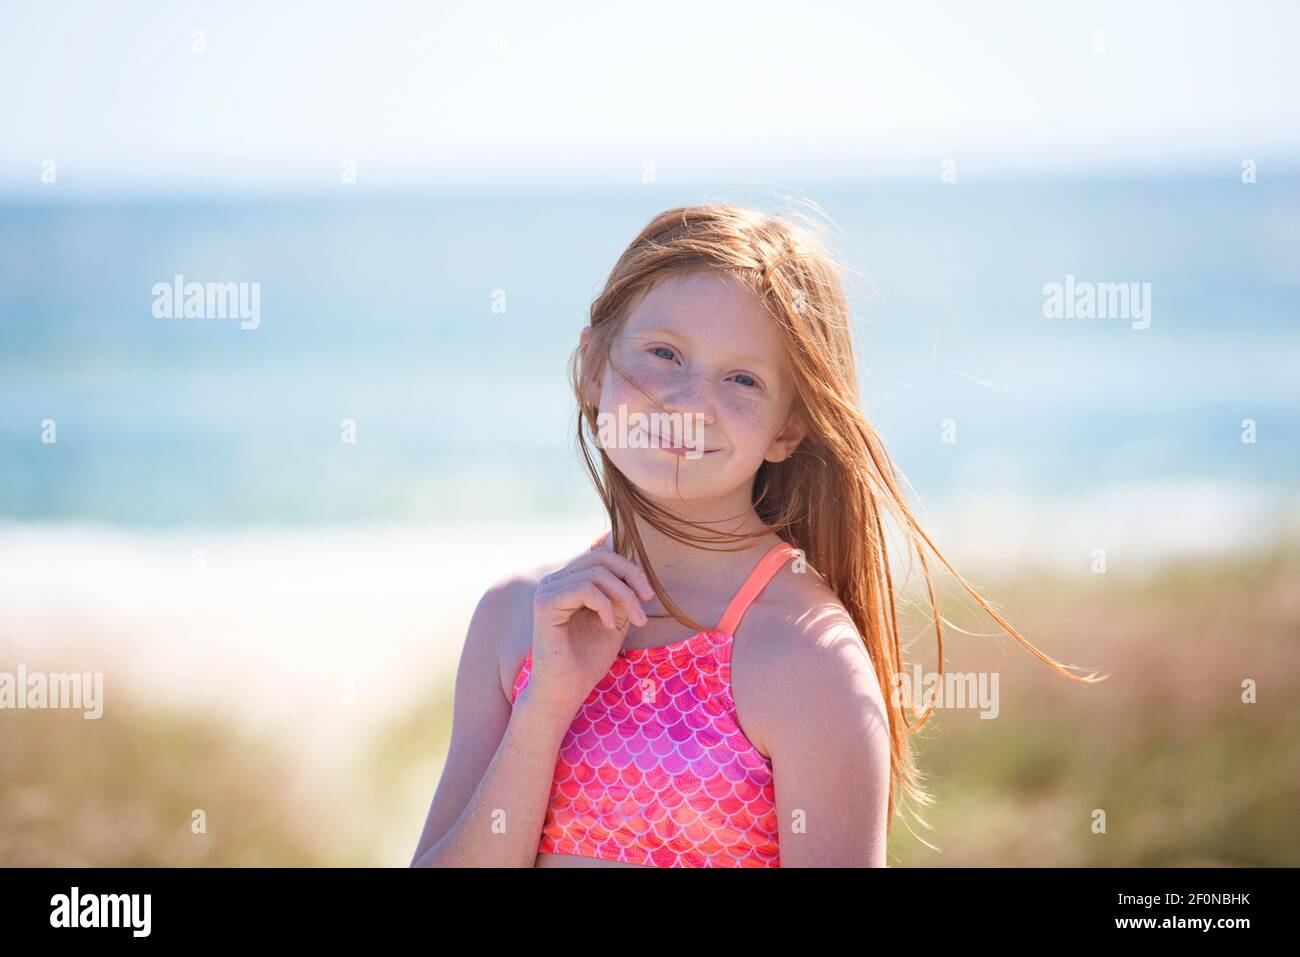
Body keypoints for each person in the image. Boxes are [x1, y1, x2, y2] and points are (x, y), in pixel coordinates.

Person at [410, 203, 1103, 868]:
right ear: (594, 368)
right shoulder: (514, 620)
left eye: (740, 378)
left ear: (786, 428)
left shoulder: (804, 658)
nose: (689, 404)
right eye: (662, 353)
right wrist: (545, 706)